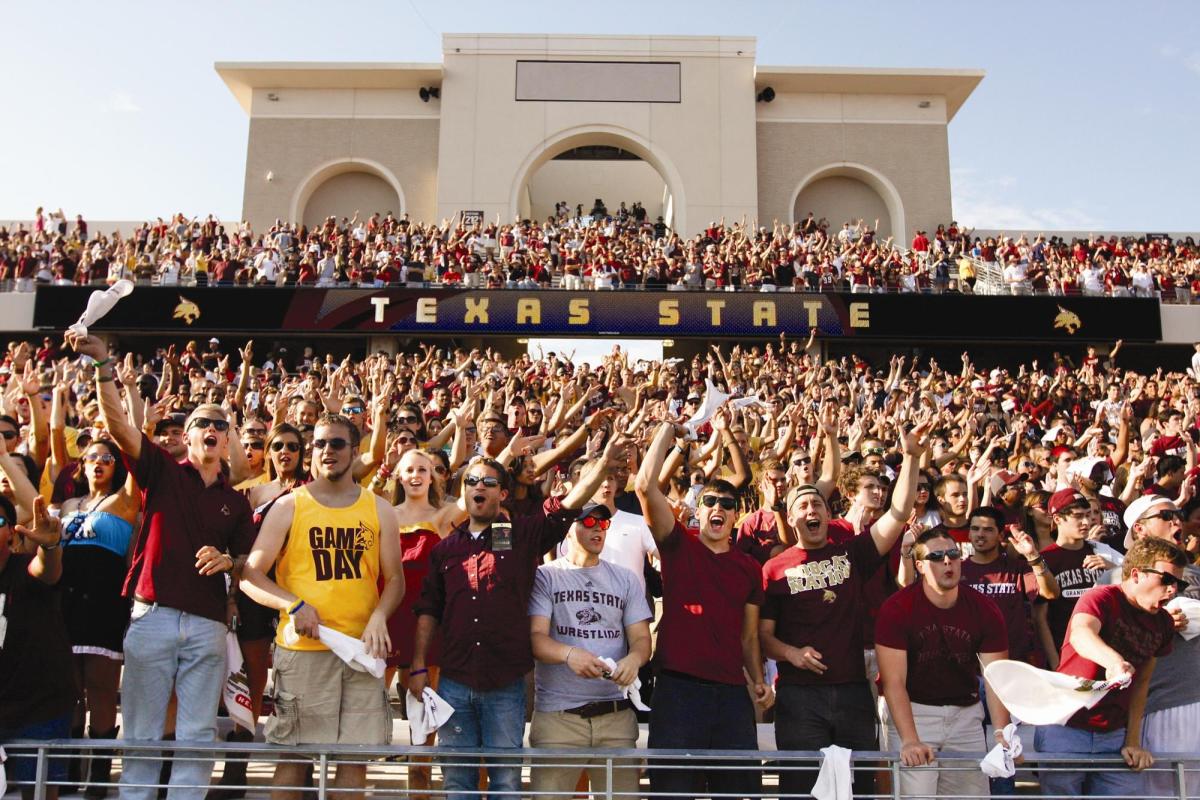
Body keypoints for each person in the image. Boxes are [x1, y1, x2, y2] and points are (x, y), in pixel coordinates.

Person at [67, 332, 254, 800]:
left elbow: (252, 557)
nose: (211, 429)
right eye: (201, 423)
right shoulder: (161, 471)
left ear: (228, 438)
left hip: (209, 625)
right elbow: (118, 427)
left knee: (195, 736)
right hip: (152, 617)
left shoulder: (236, 502)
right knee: (143, 734)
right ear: (187, 436)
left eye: (220, 424)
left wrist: (231, 559)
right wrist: (103, 368)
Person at [409, 435, 625, 800]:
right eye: (472, 481)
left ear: (503, 495)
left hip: (505, 682)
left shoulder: (520, 535)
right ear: (464, 492)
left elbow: (568, 504)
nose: (480, 486)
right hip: (455, 681)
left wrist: (602, 464)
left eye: (489, 482)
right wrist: (417, 666)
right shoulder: (446, 548)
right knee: (457, 783)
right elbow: (429, 610)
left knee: (506, 782)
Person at [759, 416, 929, 797]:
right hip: (799, 695)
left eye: (817, 503)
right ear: (791, 518)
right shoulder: (774, 568)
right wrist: (791, 653)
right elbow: (763, 636)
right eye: (802, 505)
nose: (810, 510)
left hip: (853, 690)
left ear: (828, 513)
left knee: (859, 787)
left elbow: (898, 514)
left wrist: (911, 457)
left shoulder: (852, 553)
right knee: (801, 788)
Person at [240, 413, 404, 799]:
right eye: (319, 444)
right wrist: (293, 604)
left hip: (360, 652)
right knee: (293, 760)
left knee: (353, 761)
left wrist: (380, 615)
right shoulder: (288, 506)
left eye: (337, 443)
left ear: (355, 449)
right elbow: (249, 575)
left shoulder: (379, 508)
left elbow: (395, 579)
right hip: (304, 652)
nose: (326, 451)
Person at [636, 421, 772, 800]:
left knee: (738, 792)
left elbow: (748, 636)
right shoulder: (680, 544)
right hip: (678, 691)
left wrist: (758, 679)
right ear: (699, 509)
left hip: (731, 695)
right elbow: (645, 487)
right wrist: (668, 429)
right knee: (673, 793)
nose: (718, 508)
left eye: (727, 504)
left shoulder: (748, 567)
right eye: (710, 501)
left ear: (736, 514)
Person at [1035, 537, 1186, 797]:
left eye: (1179, 583)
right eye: (1167, 580)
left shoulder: (1163, 623)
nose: (1173, 590)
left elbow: (1142, 684)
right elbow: (1081, 635)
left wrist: (1133, 741)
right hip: (1066, 727)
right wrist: (1114, 663)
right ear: (1136, 574)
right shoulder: (1100, 597)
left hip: (1114, 734)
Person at [876, 527, 1016, 800]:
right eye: (937, 556)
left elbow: (997, 678)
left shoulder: (984, 608)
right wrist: (910, 739)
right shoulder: (897, 608)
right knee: (916, 795)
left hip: (966, 715)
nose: (947, 561)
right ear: (919, 566)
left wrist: (1001, 731)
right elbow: (893, 683)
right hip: (914, 711)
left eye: (953, 554)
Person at [528, 501, 652, 800]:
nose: (598, 528)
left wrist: (634, 661)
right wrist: (569, 654)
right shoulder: (546, 576)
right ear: (568, 529)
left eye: (603, 524)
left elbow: (641, 639)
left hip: (615, 716)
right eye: (588, 522)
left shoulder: (625, 578)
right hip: (559, 717)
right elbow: (535, 638)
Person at [55, 438, 140, 798]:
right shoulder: (67, 504)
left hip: (105, 602)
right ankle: (71, 768)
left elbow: (138, 463)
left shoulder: (124, 501)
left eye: (108, 458)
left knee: (101, 688)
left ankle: (100, 775)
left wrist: (139, 426)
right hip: (65, 602)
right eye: (93, 457)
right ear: (82, 465)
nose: (100, 463)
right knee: (69, 689)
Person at [0, 495, 79, 800]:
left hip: (39, 707)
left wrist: (49, 546)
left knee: (41, 795)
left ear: (12, 533)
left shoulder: (24, 569)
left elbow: (47, 571)